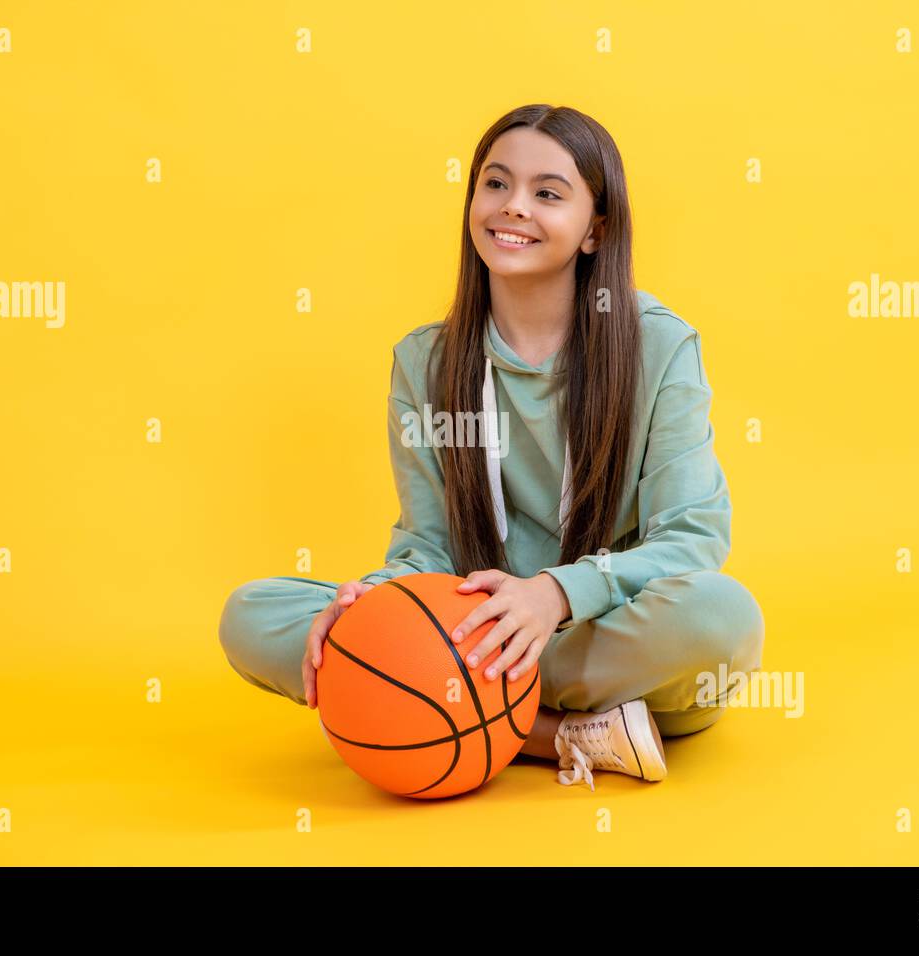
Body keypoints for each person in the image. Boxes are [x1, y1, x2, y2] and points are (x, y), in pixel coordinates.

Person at [219, 104, 765, 791]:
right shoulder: (425, 362)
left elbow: (692, 538)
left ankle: (431, 703)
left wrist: (552, 597)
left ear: (596, 229)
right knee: (250, 614)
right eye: (496, 184)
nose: (512, 209)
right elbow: (426, 551)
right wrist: (368, 605)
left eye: (547, 193)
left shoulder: (659, 345)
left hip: (597, 628)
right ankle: (558, 735)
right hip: (470, 628)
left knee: (722, 620)